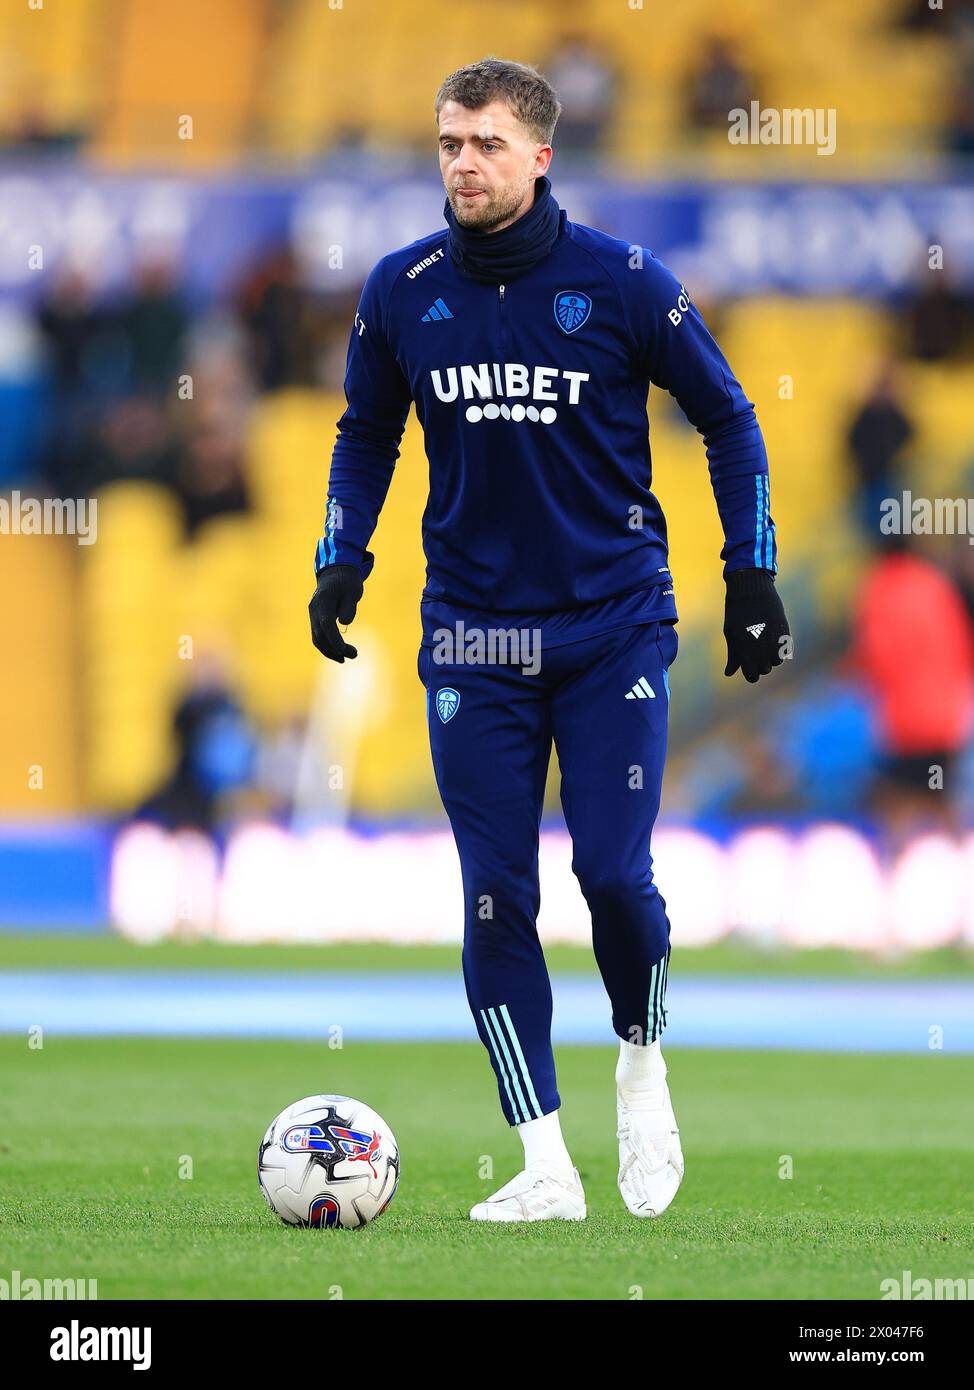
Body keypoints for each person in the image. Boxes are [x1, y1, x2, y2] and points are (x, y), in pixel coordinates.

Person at [308, 58, 789, 1223]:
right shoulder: (399, 289)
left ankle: (639, 1058)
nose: (461, 162)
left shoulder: (622, 282)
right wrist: (341, 553)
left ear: (538, 155)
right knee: (492, 897)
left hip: (610, 627)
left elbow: (727, 413)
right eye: (446, 143)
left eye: (482, 143)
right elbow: (364, 429)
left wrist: (751, 572)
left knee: (614, 877)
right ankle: (544, 1162)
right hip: (471, 639)